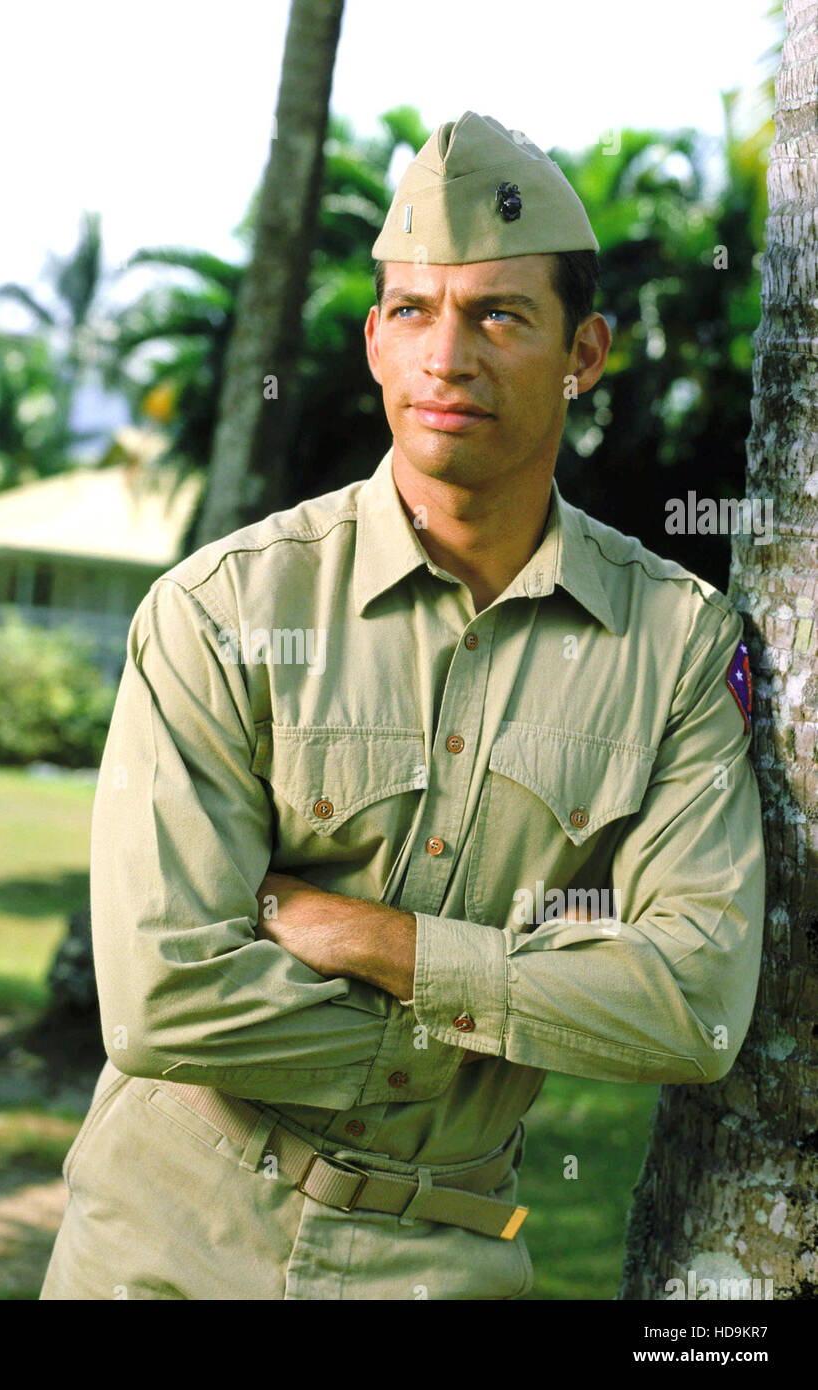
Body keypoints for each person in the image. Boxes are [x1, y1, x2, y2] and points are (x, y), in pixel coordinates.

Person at [39, 111, 764, 1301]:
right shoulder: (220, 609)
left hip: (448, 1254)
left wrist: (386, 947)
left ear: (582, 352)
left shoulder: (673, 645)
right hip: (169, 1242)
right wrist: (481, 1024)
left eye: (496, 315)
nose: (446, 358)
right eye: (414, 314)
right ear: (374, 341)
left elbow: (690, 1007)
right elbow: (166, 996)